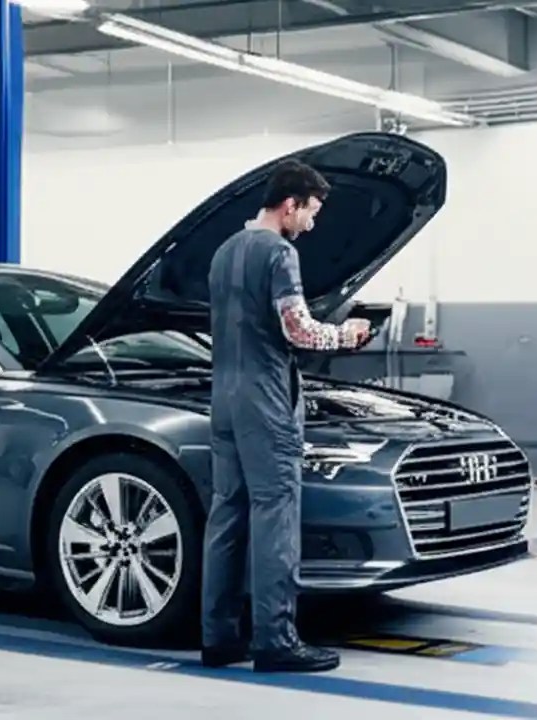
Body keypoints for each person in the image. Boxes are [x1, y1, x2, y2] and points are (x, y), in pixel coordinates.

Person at [200, 159, 372, 673]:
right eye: (311, 212)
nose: (312, 224)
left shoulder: (223, 251)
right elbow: (298, 330)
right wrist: (348, 334)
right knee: (275, 515)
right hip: (266, 400)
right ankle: (275, 641)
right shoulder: (279, 252)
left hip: (224, 398)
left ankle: (219, 637)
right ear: (290, 203)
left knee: (227, 513)